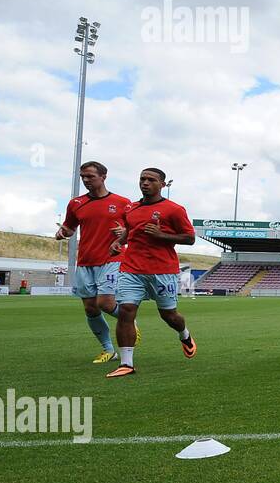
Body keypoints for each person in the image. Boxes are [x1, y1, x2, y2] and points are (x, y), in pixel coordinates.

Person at [104, 168, 197, 378]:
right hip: (131, 268)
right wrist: (119, 242)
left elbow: (190, 238)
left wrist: (161, 235)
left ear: (162, 184)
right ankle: (127, 364)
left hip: (162, 270)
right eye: (142, 179)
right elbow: (130, 230)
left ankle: (185, 335)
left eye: (151, 180)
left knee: (169, 315)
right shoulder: (132, 208)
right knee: (126, 311)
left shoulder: (174, 209)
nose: (145, 183)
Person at [55, 160, 136, 364]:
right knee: (90, 308)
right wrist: (62, 232)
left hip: (112, 257)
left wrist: (125, 233)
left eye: (90, 176)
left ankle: (128, 323)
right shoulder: (76, 203)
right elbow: (70, 228)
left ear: (103, 177)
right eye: (83, 176)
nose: (85, 180)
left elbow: (135, 229)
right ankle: (108, 350)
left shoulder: (122, 202)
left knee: (106, 303)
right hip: (85, 261)